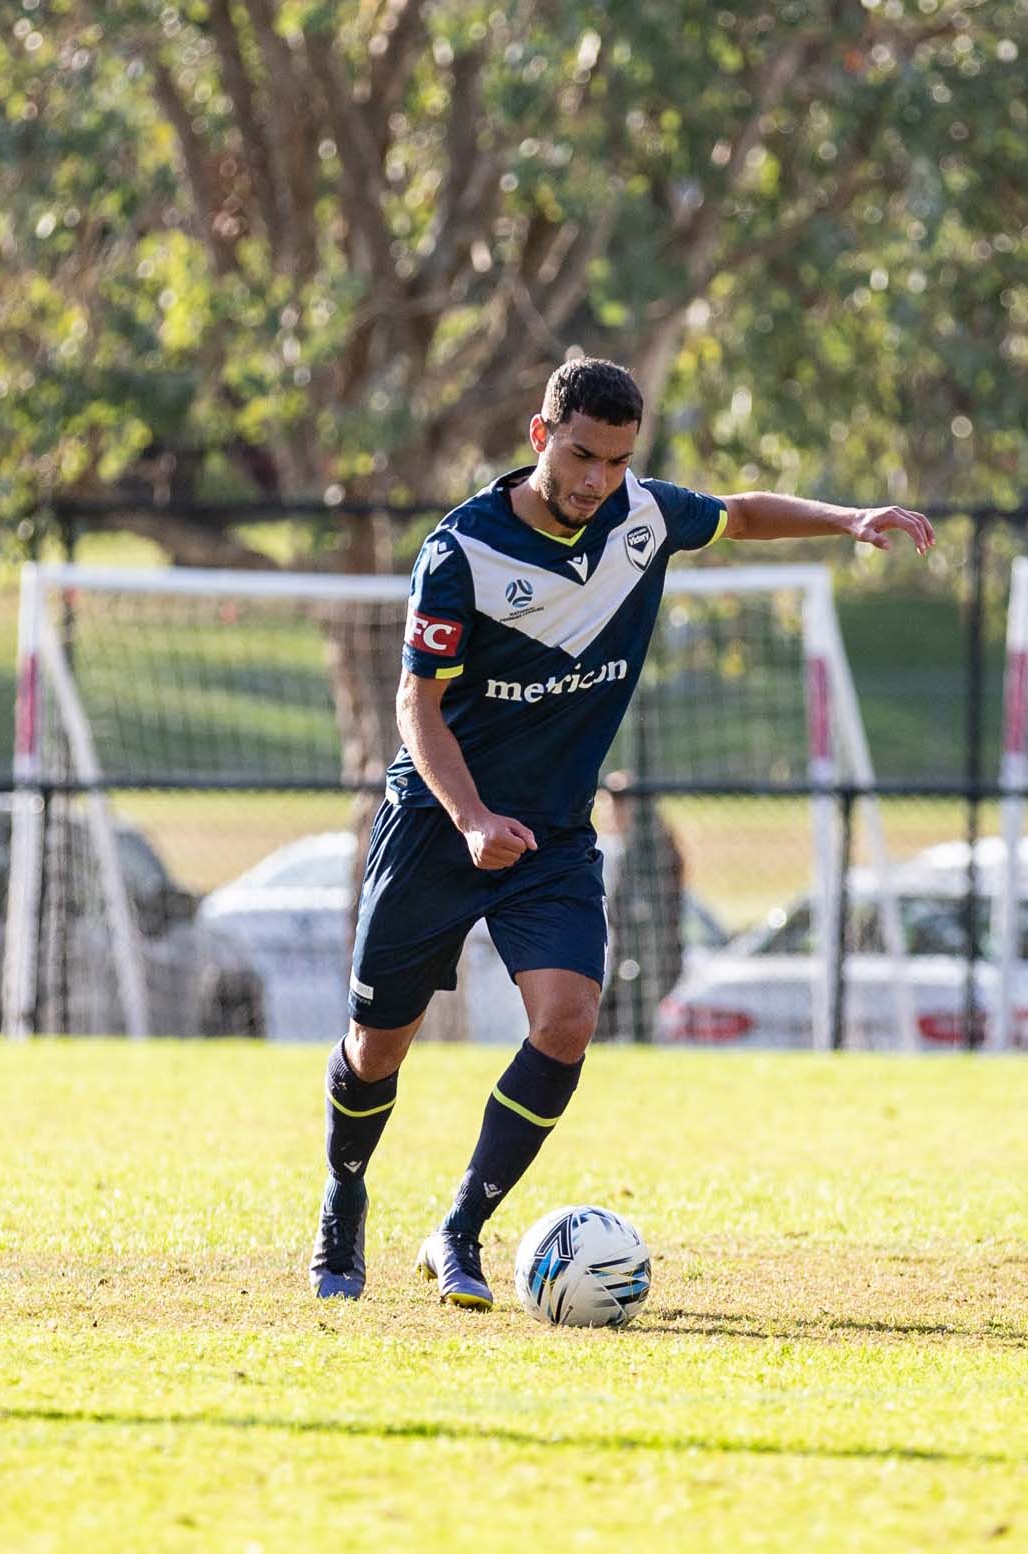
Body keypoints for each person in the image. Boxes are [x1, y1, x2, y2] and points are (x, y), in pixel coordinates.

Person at [311, 356, 932, 1305]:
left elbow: (739, 511)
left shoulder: (640, 517)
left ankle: (458, 1230)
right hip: (440, 826)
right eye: (581, 455)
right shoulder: (461, 554)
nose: (596, 480)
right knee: (375, 1048)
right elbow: (415, 708)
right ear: (539, 436)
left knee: (567, 1022)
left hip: (552, 838)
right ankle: (344, 1197)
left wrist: (846, 519)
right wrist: (472, 817)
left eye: (615, 460)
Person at [595, 769, 689, 1044]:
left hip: (650, 958)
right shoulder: (622, 849)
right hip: (625, 956)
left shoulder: (652, 850)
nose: (608, 809)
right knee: (600, 1031)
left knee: (631, 1029)